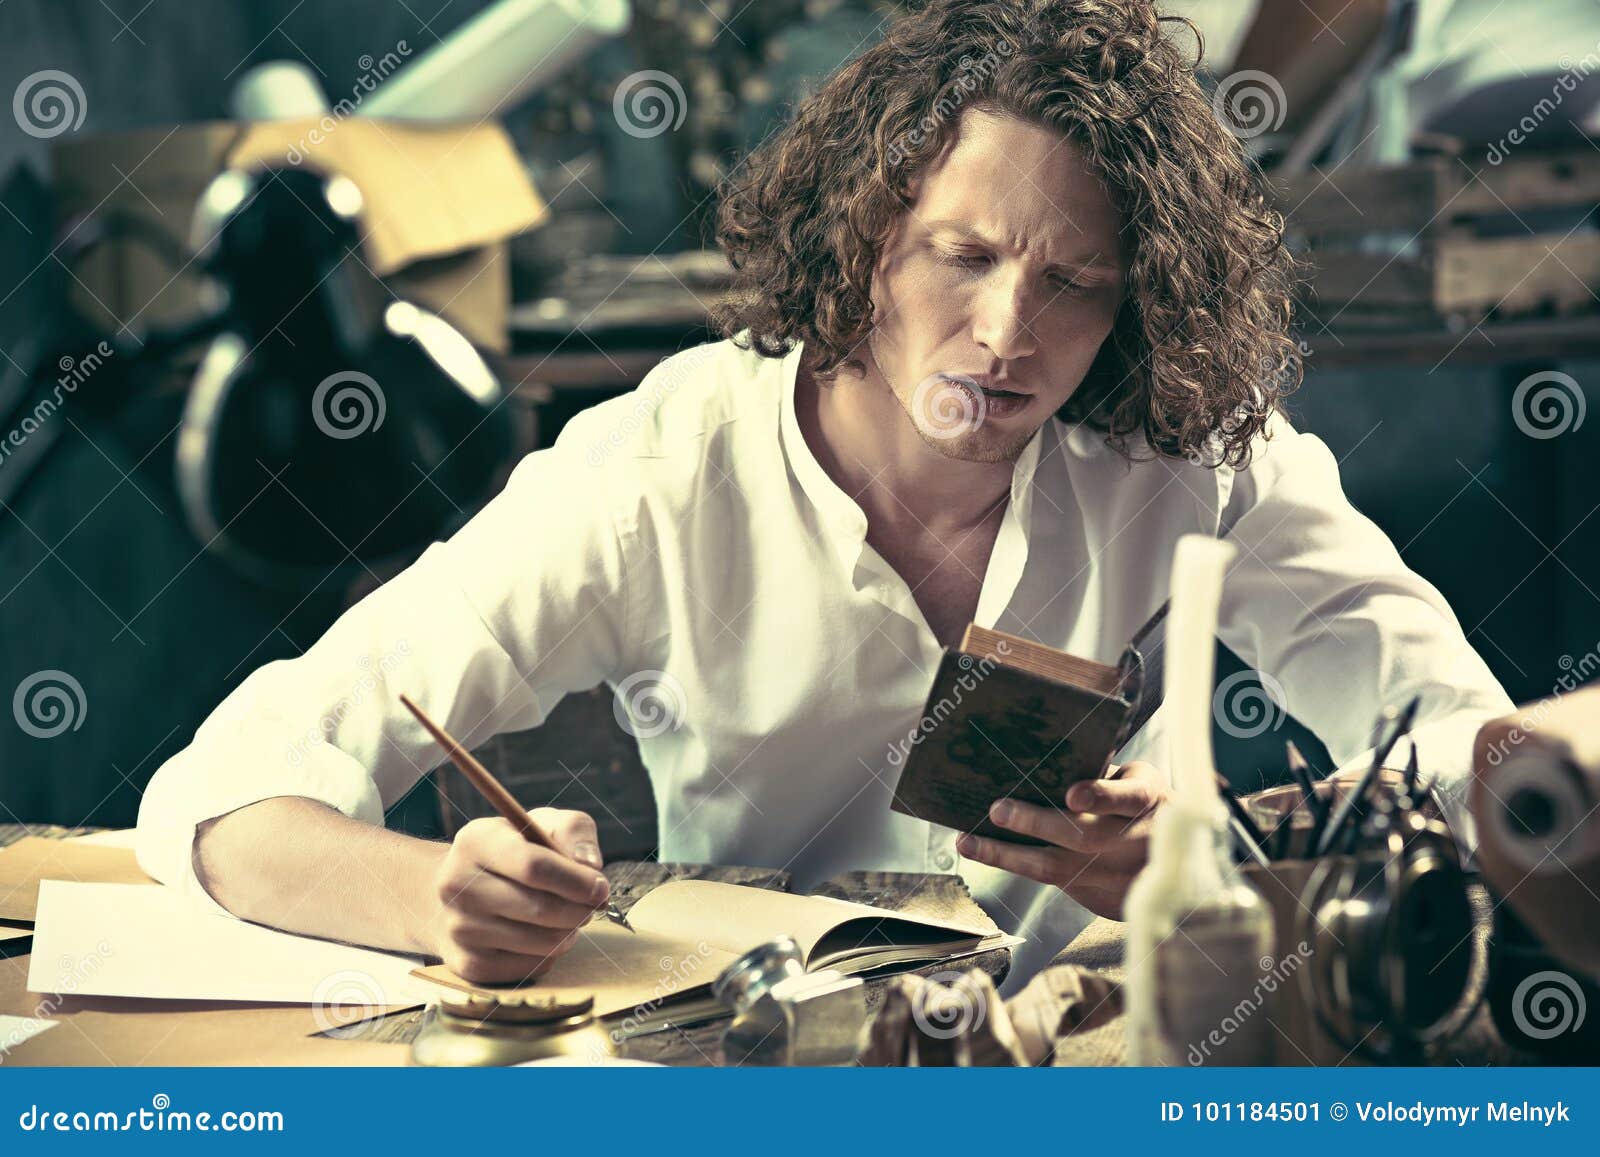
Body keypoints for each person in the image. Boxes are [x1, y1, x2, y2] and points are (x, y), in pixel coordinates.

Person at [135, 0, 1512, 991]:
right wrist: (440, 896)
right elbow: (217, 793)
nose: (1005, 332)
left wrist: (1220, 847)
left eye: (1074, 282)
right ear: (859, 242)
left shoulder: (1193, 460)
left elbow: (1481, 753)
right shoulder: (661, 471)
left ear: (1134, 304)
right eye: (957, 253)